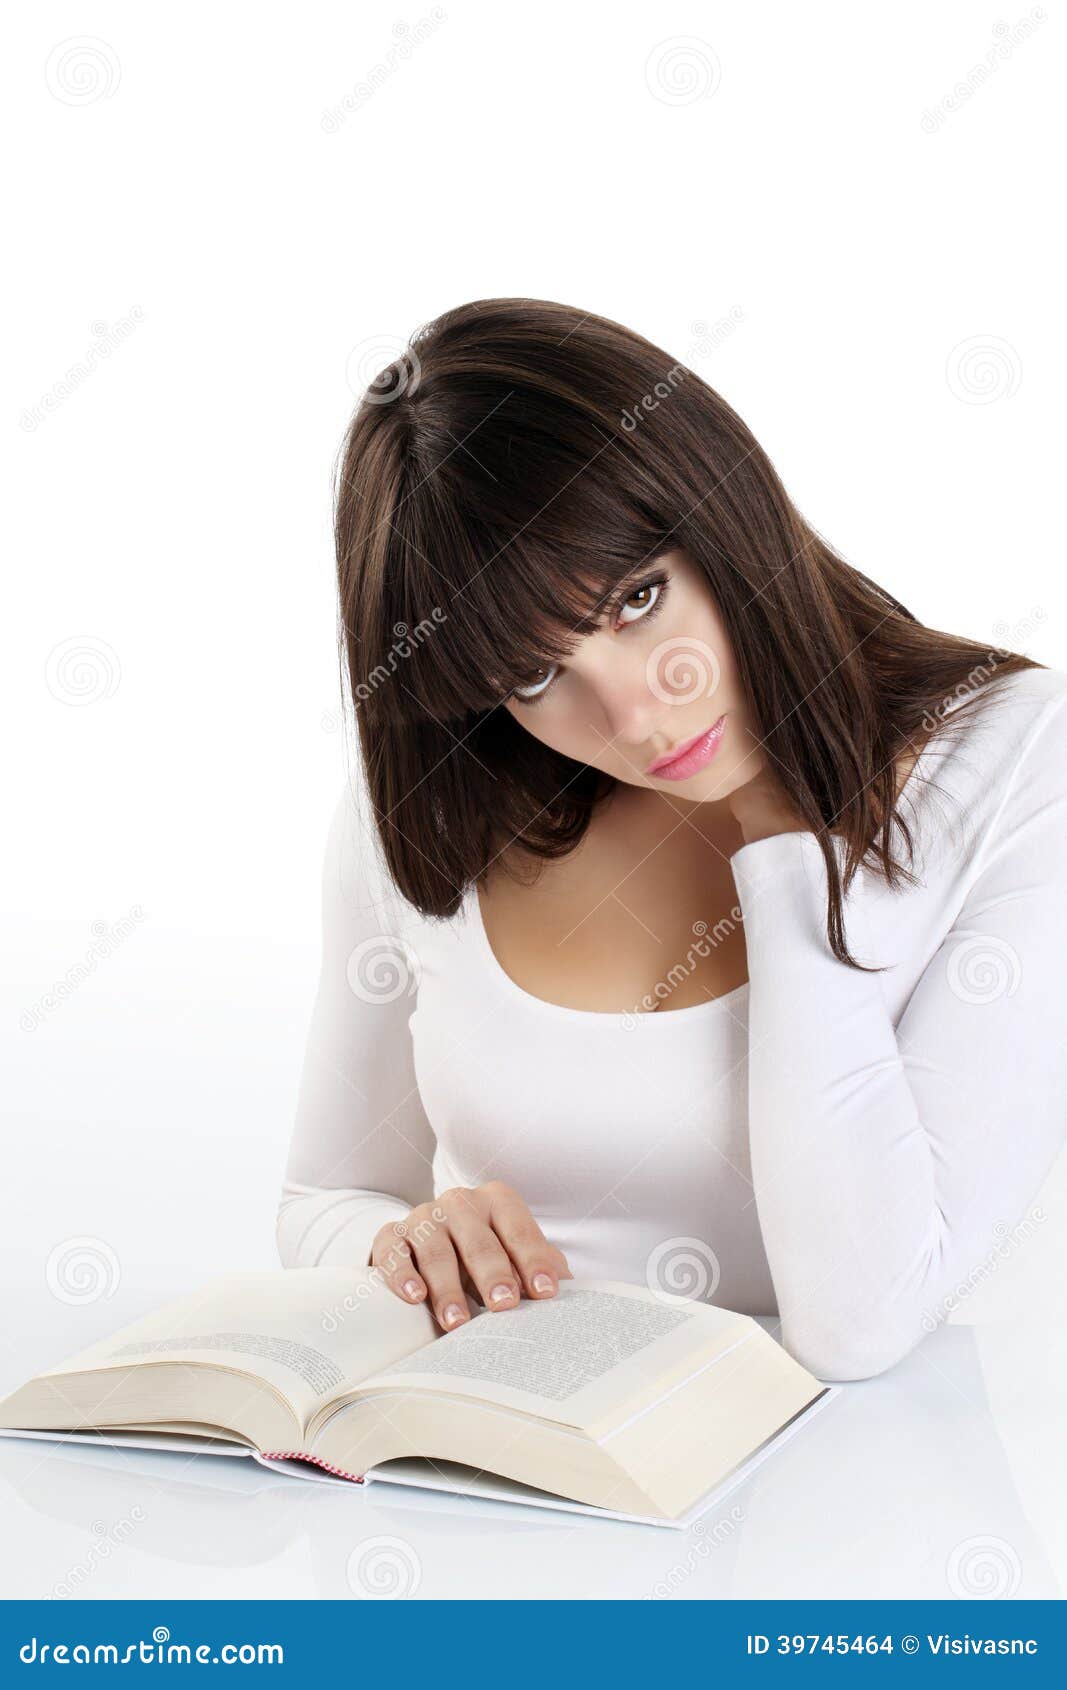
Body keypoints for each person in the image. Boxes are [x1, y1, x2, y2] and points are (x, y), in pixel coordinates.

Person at [276, 297, 1067, 1382]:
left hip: (879, 1515)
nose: (636, 717)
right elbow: (326, 1195)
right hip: (495, 1486)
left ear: (722, 511)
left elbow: (858, 1323)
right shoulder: (432, 811)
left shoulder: (1012, 759)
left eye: (637, 597)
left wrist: (783, 833)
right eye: (534, 675)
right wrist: (395, 1245)